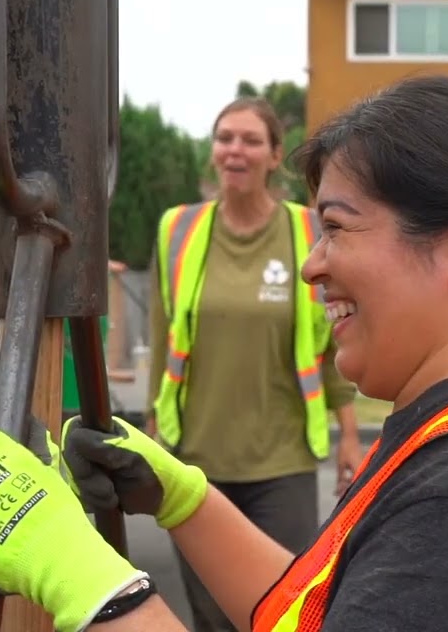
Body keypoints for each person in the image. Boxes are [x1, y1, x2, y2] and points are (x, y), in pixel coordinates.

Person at [0, 75, 448, 632]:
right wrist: (188, 501)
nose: (313, 266)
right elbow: (329, 612)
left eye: (336, 227)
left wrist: (85, 582)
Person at [142, 96, 363, 631]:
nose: (234, 150)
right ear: (213, 151)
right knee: (213, 617)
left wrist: (350, 437)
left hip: (280, 464)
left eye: (249, 140)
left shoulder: (308, 232)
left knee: (284, 609)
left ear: (273, 156)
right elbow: (161, 338)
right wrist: (152, 438)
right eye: (225, 138)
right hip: (196, 463)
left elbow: (332, 343)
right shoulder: (178, 231)